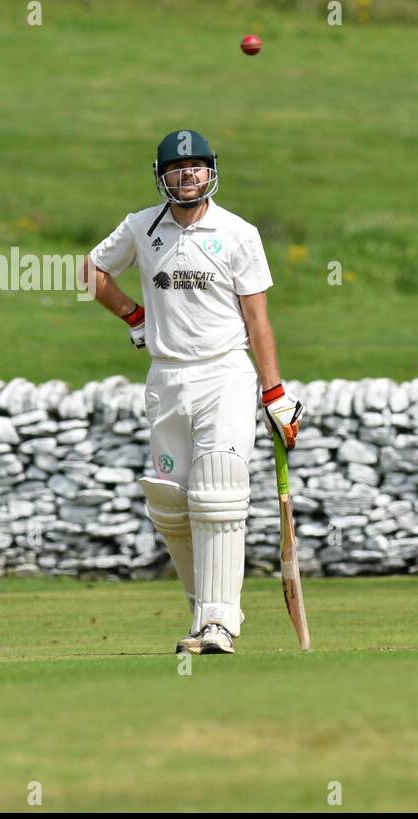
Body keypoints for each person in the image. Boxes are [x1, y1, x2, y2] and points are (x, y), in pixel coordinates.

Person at [84, 129, 303, 654]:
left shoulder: (238, 233)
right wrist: (133, 316)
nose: (189, 175)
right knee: (168, 502)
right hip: (166, 376)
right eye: (179, 168)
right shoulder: (142, 227)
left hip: (224, 373)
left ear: (212, 172)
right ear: (162, 175)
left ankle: (221, 623)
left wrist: (273, 393)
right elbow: (90, 271)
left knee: (219, 489)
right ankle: (202, 611)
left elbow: (258, 319)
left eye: (198, 166)